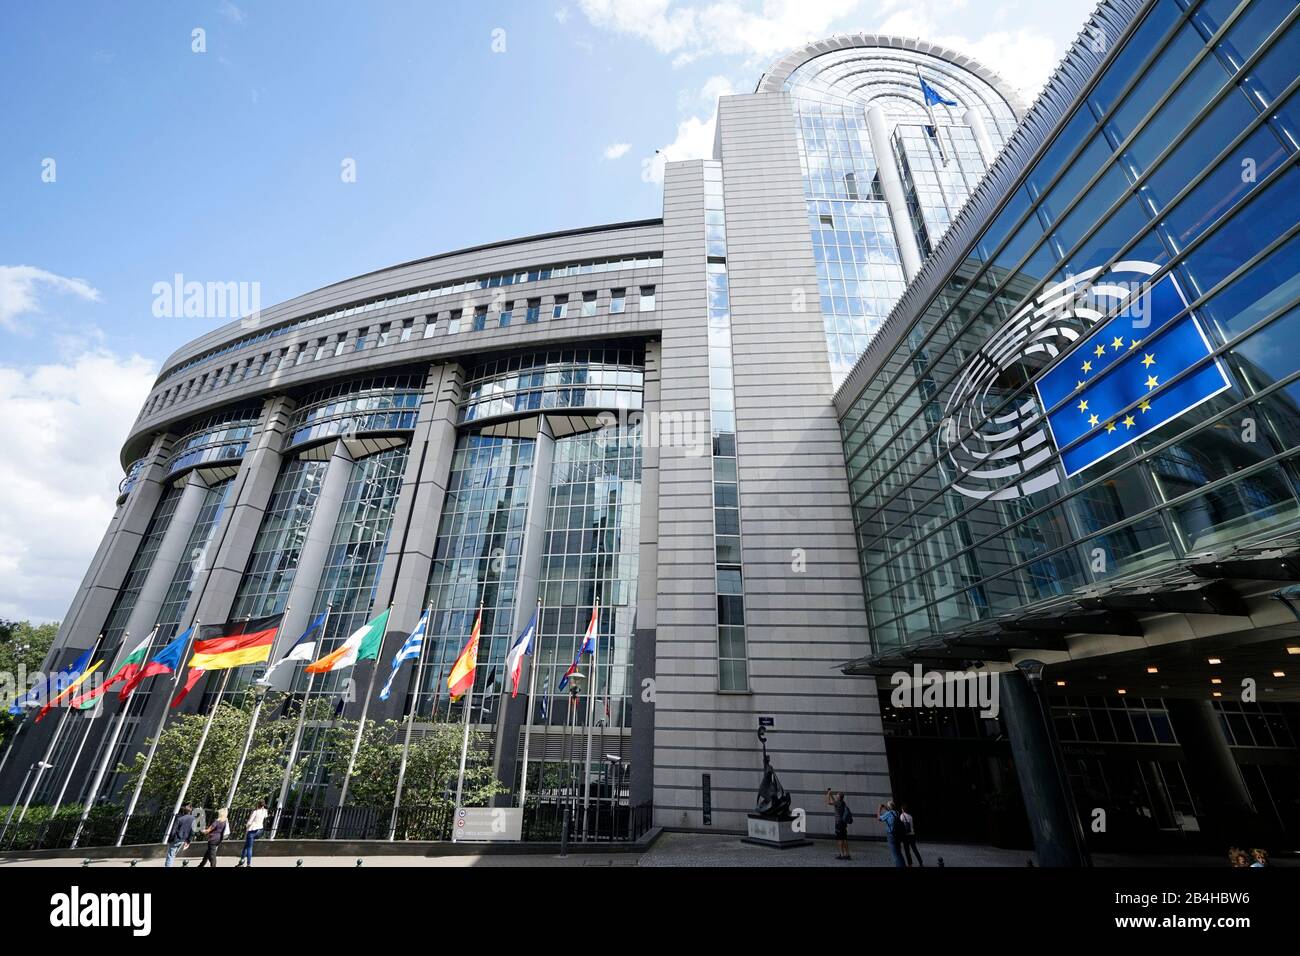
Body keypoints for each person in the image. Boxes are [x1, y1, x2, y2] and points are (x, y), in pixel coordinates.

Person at [238, 800, 268, 867]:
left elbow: (249, 822)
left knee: (249, 847)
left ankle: (248, 864)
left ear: (258, 804)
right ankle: (241, 861)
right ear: (263, 805)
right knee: (246, 846)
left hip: (252, 831)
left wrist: (246, 827)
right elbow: (265, 817)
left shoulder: (255, 812)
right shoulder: (265, 811)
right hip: (259, 830)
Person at [826, 789, 852, 860]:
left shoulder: (838, 803)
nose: (836, 795)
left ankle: (842, 855)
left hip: (839, 823)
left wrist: (828, 794)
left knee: (840, 840)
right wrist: (831, 795)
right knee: (845, 838)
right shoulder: (843, 803)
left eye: (837, 795)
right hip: (843, 823)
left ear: (839, 797)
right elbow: (835, 802)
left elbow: (828, 802)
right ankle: (847, 854)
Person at [878, 800, 906, 868]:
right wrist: (886, 808)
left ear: (889, 807)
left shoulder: (889, 813)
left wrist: (879, 809)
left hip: (891, 835)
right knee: (899, 852)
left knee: (895, 854)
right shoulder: (897, 812)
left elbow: (879, 818)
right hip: (898, 834)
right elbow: (891, 812)